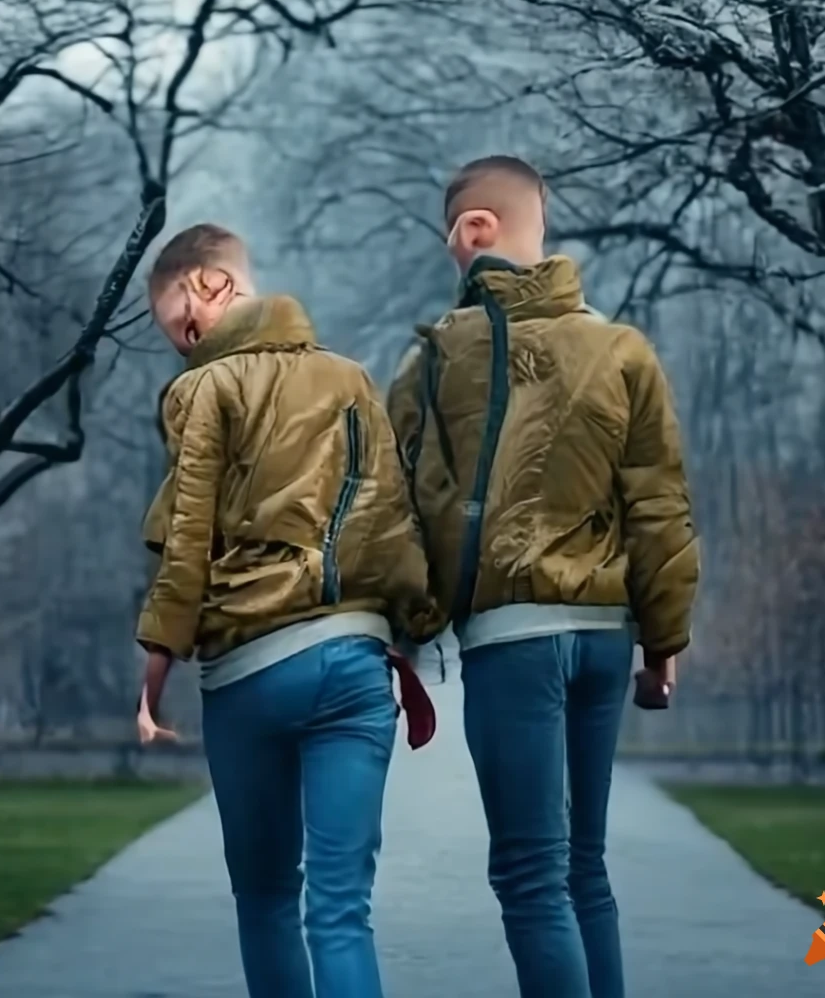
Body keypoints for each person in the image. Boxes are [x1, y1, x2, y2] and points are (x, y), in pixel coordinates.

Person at [386, 157, 700, 998]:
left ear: (477, 229)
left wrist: (406, 628)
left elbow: (402, 508)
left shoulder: (437, 360)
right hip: (603, 642)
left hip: (514, 643)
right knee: (583, 871)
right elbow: (659, 507)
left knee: (530, 878)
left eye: (453, 235)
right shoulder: (621, 350)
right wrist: (663, 643)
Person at [134, 223, 438, 998]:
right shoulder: (351, 380)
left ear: (208, 284)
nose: (184, 343)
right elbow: (391, 517)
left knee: (267, 900)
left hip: (251, 673)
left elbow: (188, 539)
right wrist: (417, 617)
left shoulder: (202, 391)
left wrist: (156, 667)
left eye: (181, 322)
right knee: (341, 911)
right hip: (353, 665)